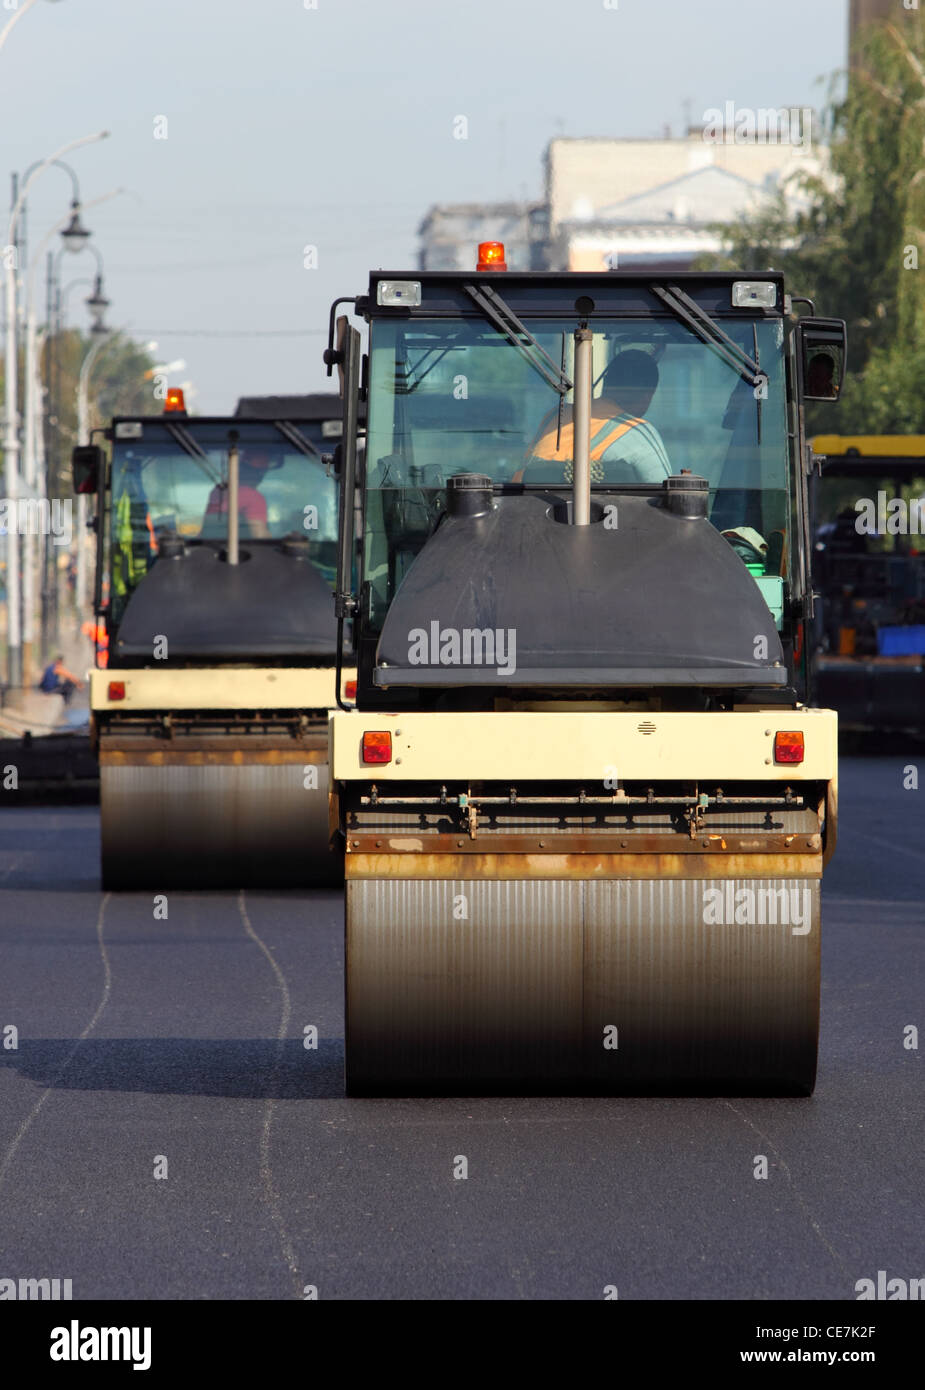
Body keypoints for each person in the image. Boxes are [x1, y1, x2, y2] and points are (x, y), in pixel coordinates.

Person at [516, 349, 672, 485]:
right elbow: (665, 496)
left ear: (605, 384)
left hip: (525, 510)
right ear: (648, 395)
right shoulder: (640, 432)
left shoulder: (556, 416)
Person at [202, 449, 272, 539]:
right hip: (242, 550)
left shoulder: (218, 491)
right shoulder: (253, 497)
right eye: (262, 472)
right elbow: (259, 535)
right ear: (258, 474)